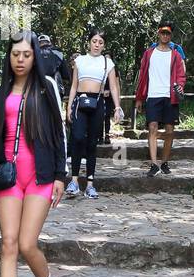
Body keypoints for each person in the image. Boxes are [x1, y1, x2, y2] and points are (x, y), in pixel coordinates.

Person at [0, 32, 68, 277]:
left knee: (27, 243)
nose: (20, 60)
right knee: (8, 244)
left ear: (35, 56)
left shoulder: (47, 89)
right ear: (9, 57)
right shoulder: (0, 93)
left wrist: (61, 175)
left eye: (26, 54)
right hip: (8, 177)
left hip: (40, 175)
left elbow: (60, 134)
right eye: (15, 54)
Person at [66, 29, 124, 198]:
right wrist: (69, 106)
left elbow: (113, 86)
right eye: (94, 41)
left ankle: (90, 184)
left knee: (92, 143)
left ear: (104, 45)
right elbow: (74, 85)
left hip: (97, 103)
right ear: (89, 42)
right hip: (79, 102)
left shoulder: (108, 63)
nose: (97, 45)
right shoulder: (80, 61)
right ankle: (74, 181)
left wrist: (117, 107)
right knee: (77, 138)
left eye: (100, 42)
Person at [135, 21, 186, 176]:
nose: (165, 35)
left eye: (168, 33)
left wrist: (180, 88)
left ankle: (164, 162)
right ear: (158, 33)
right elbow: (142, 76)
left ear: (171, 35)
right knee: (152, 127)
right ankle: (153, 164)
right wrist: (139, 98)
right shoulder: (149, 53)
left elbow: (181, 75)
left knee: (169, 131)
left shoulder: (176, 54)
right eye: (162, 32)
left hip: (169, 96)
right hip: (153, 95)